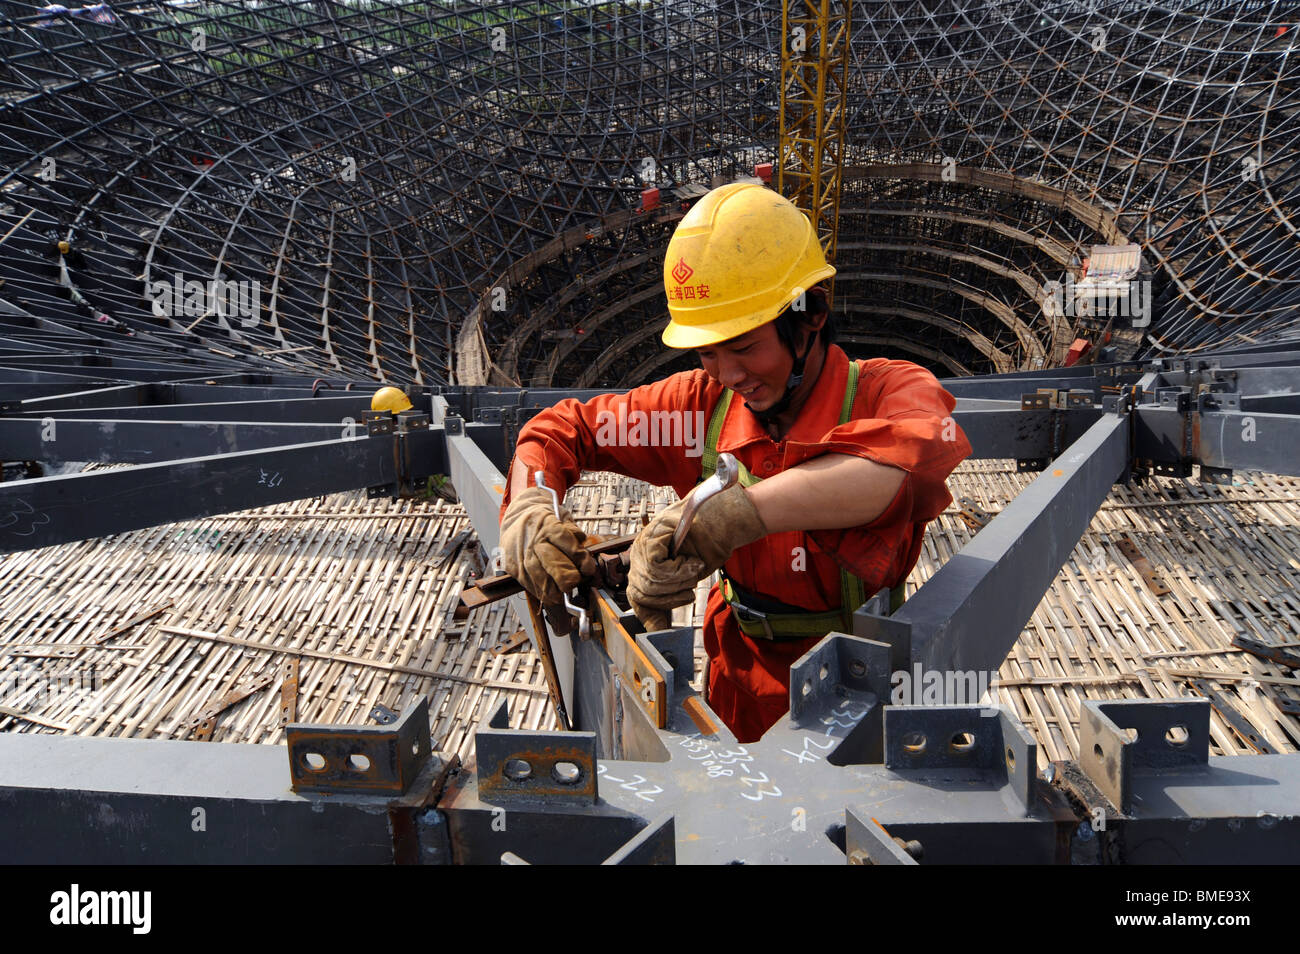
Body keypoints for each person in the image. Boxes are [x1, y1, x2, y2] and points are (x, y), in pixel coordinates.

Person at [499, 182, 972, 741]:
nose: (728, 373)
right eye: (707, 351)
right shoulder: (699, 408)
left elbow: (903, 468)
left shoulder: (885, 389)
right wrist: (531, 503)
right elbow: (562, 429)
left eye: (745, 347)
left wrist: (732, 515)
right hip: (737, 679)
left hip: (862, 688)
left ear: (811, 314)